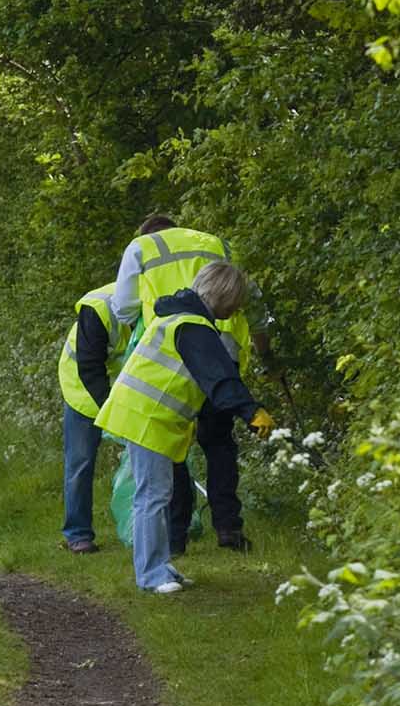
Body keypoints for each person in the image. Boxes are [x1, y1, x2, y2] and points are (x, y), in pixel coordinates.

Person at [94, 261, 275, 593]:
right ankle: (151, 575)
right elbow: (219, 377)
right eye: (235, 302)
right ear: (223, 296)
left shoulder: (179, 317)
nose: (236, 310)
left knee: (158, 494)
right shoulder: (193, 326)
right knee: (152, 496)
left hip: (145, 415)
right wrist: (251, 411)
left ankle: (160, 567)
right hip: (146, 417)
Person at [109, 213, 267, 552]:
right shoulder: (219, 245)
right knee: (218, 445)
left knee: (174, 453)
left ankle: (176, 536)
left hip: (168, 362)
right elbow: (254, 305)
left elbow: (122, 310)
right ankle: (227, 527)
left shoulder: (142, 250)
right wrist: (252, 405)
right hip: (216, 352)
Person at [57, 281, 127, 554]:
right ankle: (78, 534)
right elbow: (90, 368)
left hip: (127, 388)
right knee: (81, 462)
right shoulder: (99, 307)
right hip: (83, 389)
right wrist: (113, 413)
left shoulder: (157, 299)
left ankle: (170, 527)